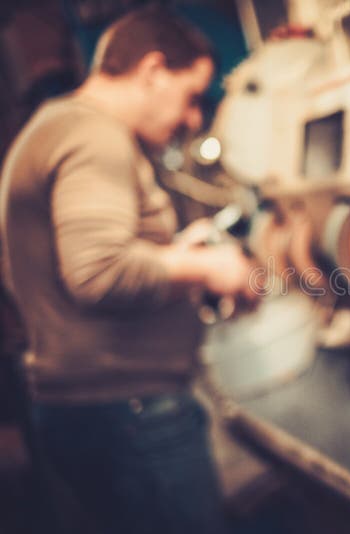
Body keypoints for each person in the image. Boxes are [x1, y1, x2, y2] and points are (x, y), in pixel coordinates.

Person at [0, 6, 256, 533]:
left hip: (98, 407)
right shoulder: (94, 135)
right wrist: (205, 265)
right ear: (153, 69)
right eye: (191, 96)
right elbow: (97, 271)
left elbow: (55, 265)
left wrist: (172, 254)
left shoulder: (57, 128)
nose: (191, 119)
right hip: (130, 411)